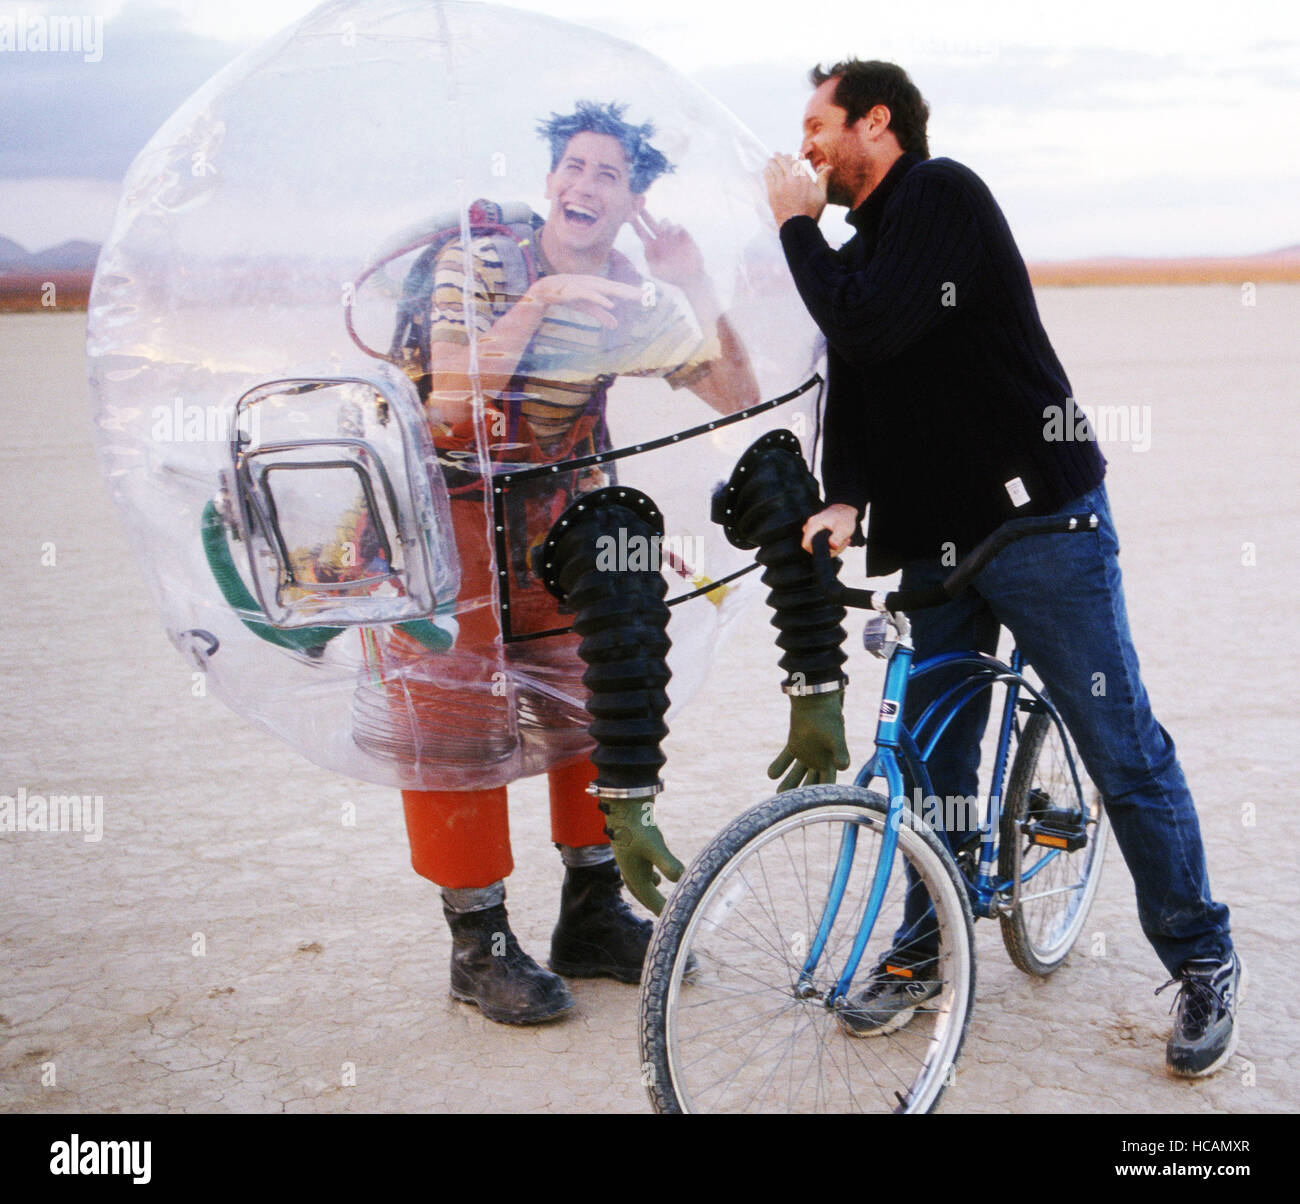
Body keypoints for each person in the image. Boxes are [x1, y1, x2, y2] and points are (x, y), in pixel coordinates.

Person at [761, 59, 1240, 1077]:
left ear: (875, 122)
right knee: (933, 762)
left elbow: (870, 322)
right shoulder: (862, 249)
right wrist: (843, 492)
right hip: (934, 541)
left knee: (1120, 747)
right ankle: (924, 951)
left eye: (816, 123)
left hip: (1040, 524)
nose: (802, 147)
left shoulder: (942, 195)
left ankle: (1201, 956)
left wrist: (793, 228)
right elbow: (859, 373)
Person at [396, 100, 758, 1025]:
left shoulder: (634, 292)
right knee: (456, 720)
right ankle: (476, 949)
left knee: (594, 697)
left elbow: (737, 395)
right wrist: (542, 301)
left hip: (561, 517)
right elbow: (448, 405)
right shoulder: (479, 262)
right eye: (574, 167)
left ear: (632, 198)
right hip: (449, 524)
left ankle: (592, 914)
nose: (584, 184)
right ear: (551, 179)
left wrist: (695, 281)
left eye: (608, 174)